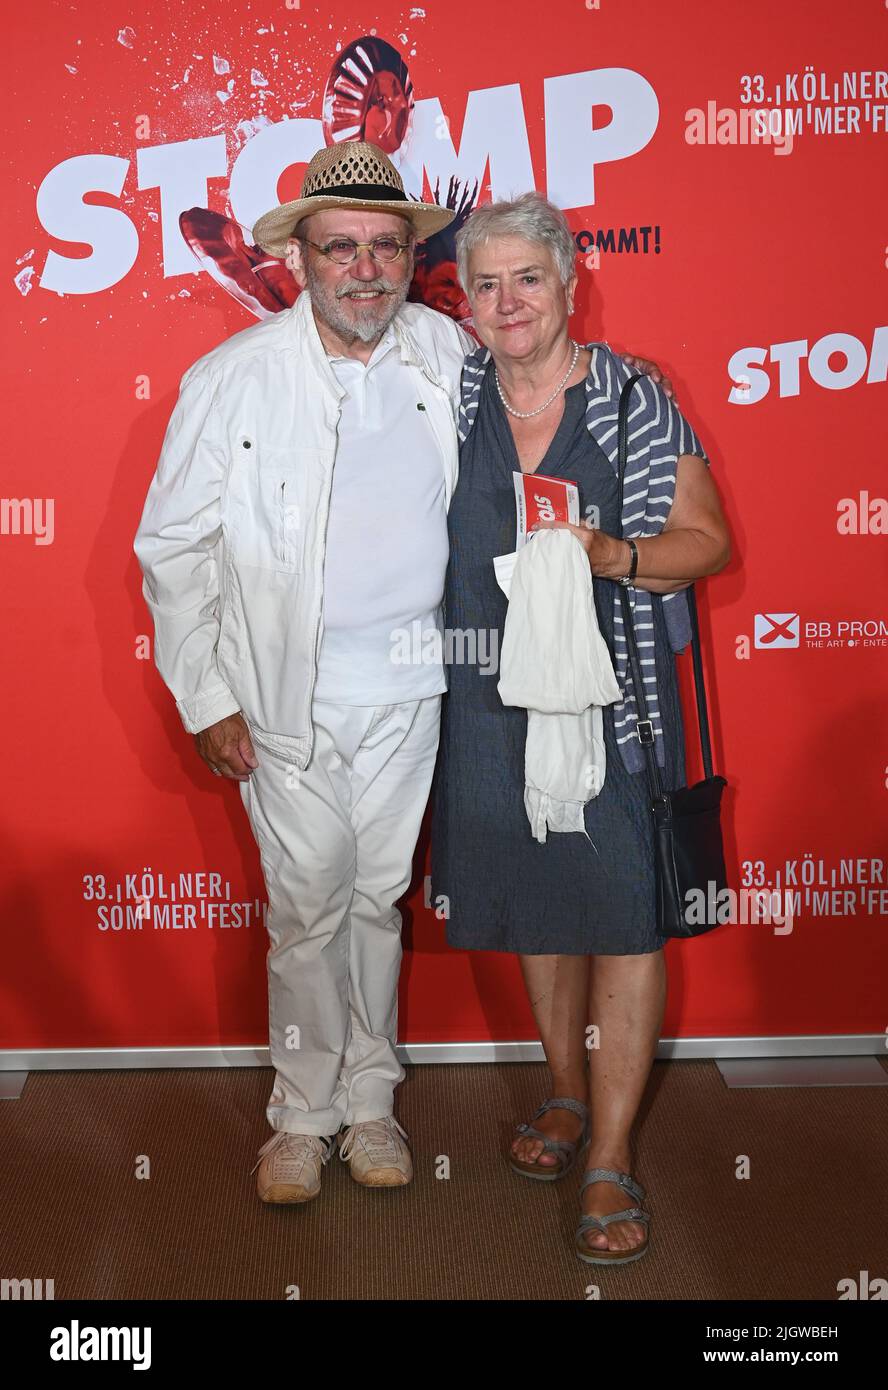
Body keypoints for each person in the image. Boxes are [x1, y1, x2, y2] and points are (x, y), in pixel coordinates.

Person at [133, 141, 667, 1208]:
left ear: (408, 257)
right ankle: (300, 1115)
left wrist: (627, 386)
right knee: (307, 907)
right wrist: (208, 695)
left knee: (376, 901)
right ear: (300, 259)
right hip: (282, 697)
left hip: (422, 692)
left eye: (386, 247)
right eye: (342, 248)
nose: (367, 268)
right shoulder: (229, 381)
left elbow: (542, 372)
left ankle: (370, 1104)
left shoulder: (445, 353)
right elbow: (171, 547)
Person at [430, 192, 731, 1264]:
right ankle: (564, 1092)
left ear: (570, 285)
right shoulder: (449, 392)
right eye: (489, 282)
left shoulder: (634, 399)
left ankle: (609, 1153)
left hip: (617, 705)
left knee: (624, 918)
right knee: (542, 909)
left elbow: (706, 542)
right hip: (483, 701)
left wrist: (614, 557)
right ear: (466, 301)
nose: (510, 302)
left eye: (530, 278)